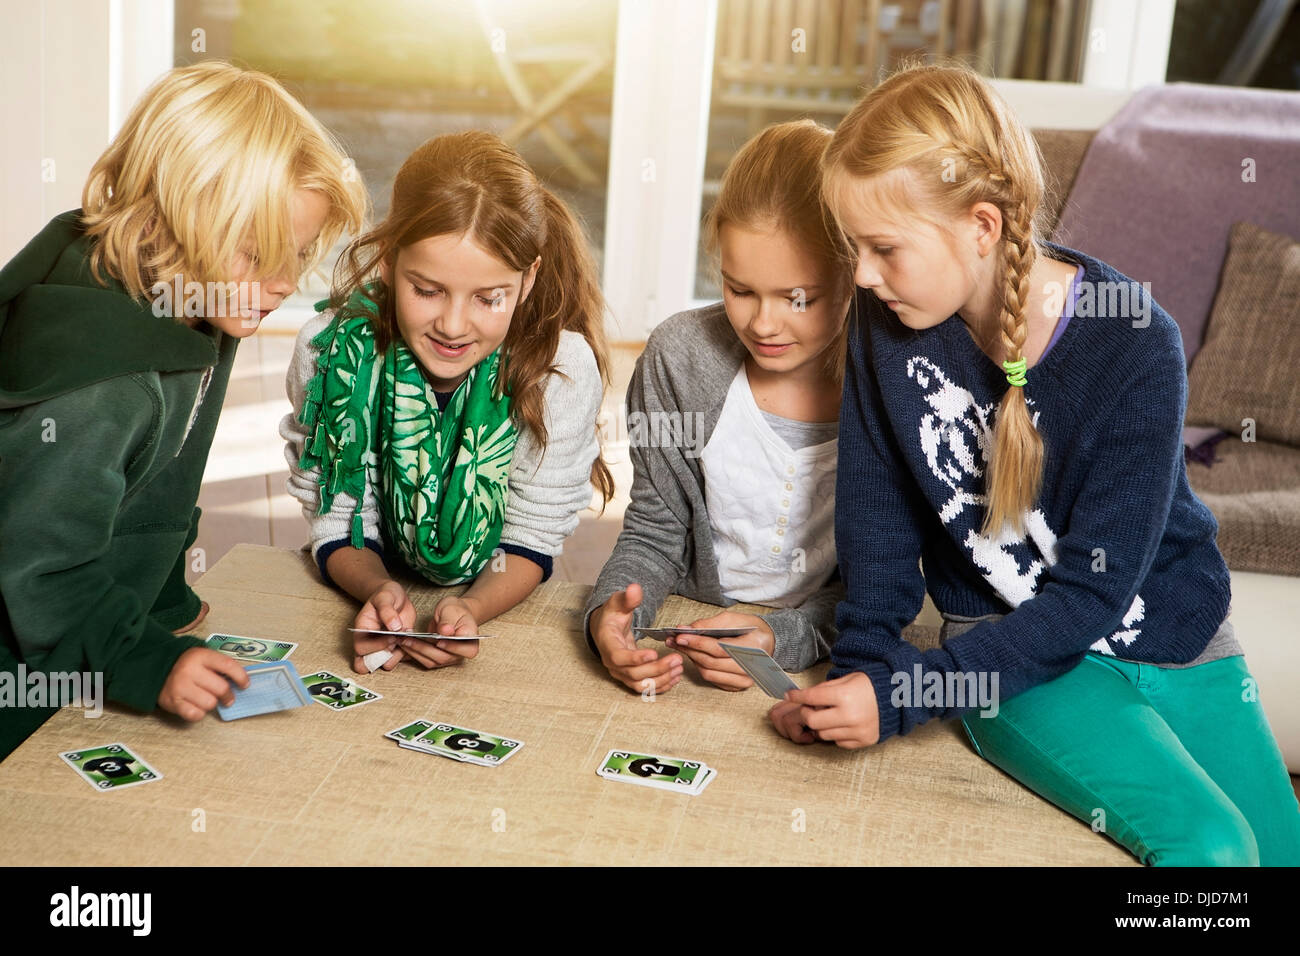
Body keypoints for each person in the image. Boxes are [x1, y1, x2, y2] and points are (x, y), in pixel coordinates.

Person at [771, 62, 1300, 866]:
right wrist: (870, 681)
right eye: (853, 249)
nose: (863, 276)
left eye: (883, 248)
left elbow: (1092, 592)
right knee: (1215, 850)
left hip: (1172, 630)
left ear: (981, 226)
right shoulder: (883, 324)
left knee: (1281, 850)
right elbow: (876, 523)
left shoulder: (1135, 343)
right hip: (1005, 649)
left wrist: (898, 692)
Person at [0, 61, 366, 757]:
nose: (282, 284)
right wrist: (146, 661)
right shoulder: (101, 389)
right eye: (258, 253)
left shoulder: (202, 294)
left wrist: (165, 605)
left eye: (296, 254)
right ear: (163, 219)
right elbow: (37, 565)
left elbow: (161, 481)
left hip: (87, 617)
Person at [282, 132, 613, 675]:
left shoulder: (560, 369)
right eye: (427, 290)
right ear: (387, 261)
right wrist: (380, 590)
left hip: (496, 587)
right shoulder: (329, 354)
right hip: (362, 571)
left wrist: (471, 608)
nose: (454, 326)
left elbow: (530, 534)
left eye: (488, 298)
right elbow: (339, 514)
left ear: (527, 280)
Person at [584, 121, 854, 695]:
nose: (763, 323)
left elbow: (881, 591)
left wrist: (783, 636)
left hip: (815, 641)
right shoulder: (679, 359)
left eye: (798, 298)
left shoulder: (892, 382)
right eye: (740, 289)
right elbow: (653, 535)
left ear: (855, 272)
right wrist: (611, 619)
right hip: (688, 614)